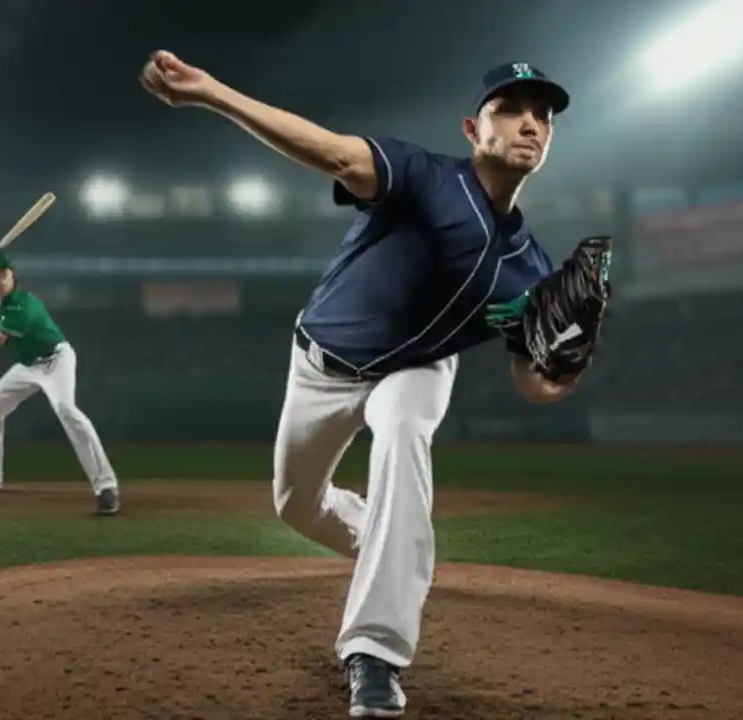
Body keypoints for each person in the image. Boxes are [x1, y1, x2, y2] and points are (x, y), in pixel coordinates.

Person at [140, 51, 585, 717]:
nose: (530, 124)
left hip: (419, 368)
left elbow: (532, 382)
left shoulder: (533, 270)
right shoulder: (424, 177)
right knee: (296, 506)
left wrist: (567, 360)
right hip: (322, 362)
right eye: (511, 110)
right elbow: (332, 152)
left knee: (404, 433)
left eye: (543, 117)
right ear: (473, 128)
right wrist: (212, 94)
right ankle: (396, 549)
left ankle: (374, 655)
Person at [0, 249, 120, 516]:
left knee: (66, 410)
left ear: (12, 274)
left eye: (3, 274)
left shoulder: (24, 305)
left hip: (55, 360)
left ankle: (106, 487)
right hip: (28, 364)